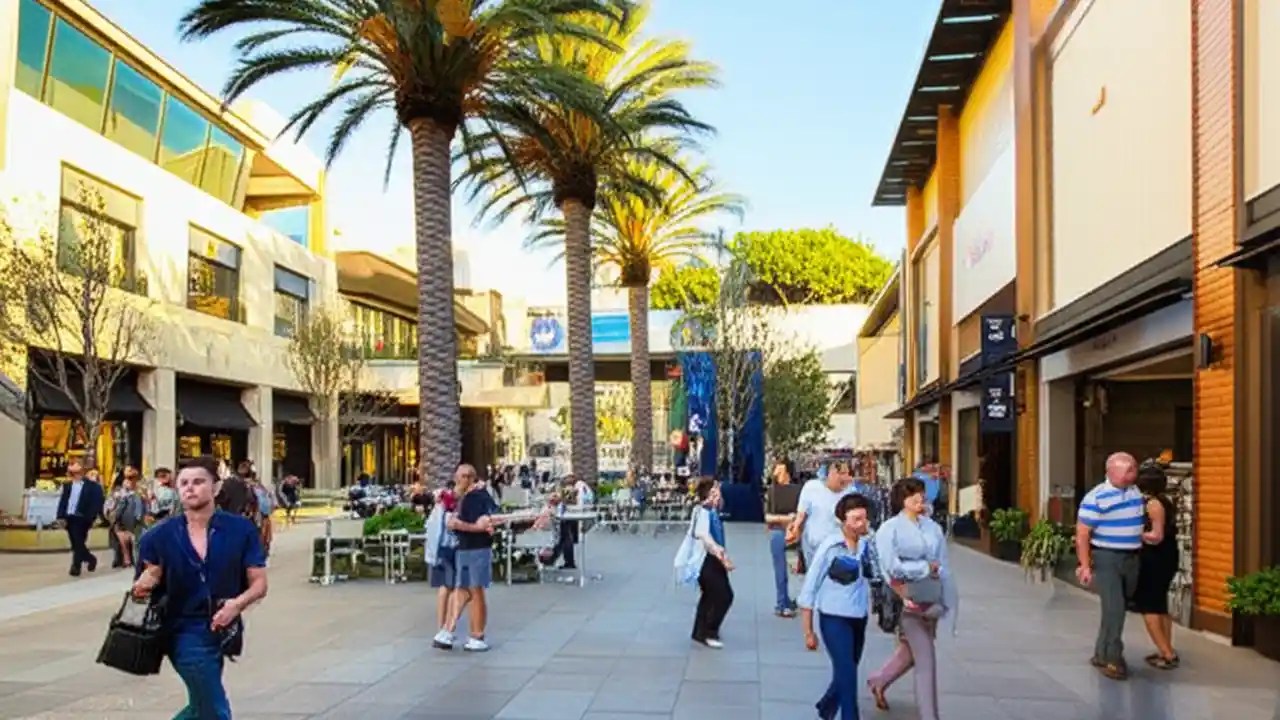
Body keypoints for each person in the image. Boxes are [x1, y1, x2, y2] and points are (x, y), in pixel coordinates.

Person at [131, 455, 268, 720]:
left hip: (223, 630)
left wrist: (236, 604)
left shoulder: (240, 529)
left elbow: (259, 583)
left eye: (198, 482)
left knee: (200, 706)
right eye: (183, 483)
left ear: (216, 488)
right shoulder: (158, 536)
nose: (190, 488)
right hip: (181, 632)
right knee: (215, 711)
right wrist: (145, 582)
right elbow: (139, 593)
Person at [867, 477, 958, 720]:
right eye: (913, 495)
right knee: (925, 658)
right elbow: (891, 567)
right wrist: (924, 569)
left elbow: (943, 564)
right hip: (905, 599)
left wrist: (947, 600)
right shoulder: (890, 529)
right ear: (902, 500)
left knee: (911, 653)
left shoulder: (932, 527)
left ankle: (878, 680)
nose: (920, 498)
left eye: (921, 493)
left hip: (930, 596)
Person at [799, 494, 875, 720]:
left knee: (847, 670)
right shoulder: (830, 547)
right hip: (834, 618)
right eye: (856, 519)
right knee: (849, 676)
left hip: (858, 616)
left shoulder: (866, 544)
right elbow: (809, 587)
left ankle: (826, 706)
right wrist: (808, 631)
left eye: (864, 518)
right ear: (843, 521)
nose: (862, 523)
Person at [1074, 452, 1144, 680]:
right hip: (1107, 557)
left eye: (1133, 469)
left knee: (1116, 608)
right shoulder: (1096, 498)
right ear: (1110, 473)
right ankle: (1114, 658)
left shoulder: (1135, 491)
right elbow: (1082, 534)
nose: (1131, 475)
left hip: (1132, 556)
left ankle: (1101, 652)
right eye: (1126, 472)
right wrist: (1085, 565)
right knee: (1115, 608)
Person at [437, 464, 502, 652]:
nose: (461, 481)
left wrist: (458, 525)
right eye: (459, 477)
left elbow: (483, 526)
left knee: (475, 590)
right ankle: (449, 629)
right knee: (464, 589)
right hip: (464, 549)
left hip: (477, 549)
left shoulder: (478, 498)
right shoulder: (465, 498)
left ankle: (477, 634)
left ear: (471, 478)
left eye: (464, 477)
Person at [1130, 462, 1181, 670]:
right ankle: (1166, 648)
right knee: (1160, 604)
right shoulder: (1165, 501)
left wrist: (1136, 534)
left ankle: (1167, 654)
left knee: (1149, 605)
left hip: (1156, 557)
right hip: (1167, 555)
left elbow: (1156, 536)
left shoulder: (1153, 504)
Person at [677, 477, 735, 649]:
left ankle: (699, 631)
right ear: (709, 494)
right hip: (706, 562)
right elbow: (703, 535)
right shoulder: (703, 511)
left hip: (712, 560)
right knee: (724, 596)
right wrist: (718, 551)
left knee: (709, 596)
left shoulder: (709, 511)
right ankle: (709, 631)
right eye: (715, 491)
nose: (719, 494)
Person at [789, 462, 854, 575]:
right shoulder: (811, 488)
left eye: (847, 474)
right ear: (829, 474)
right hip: (813, 548)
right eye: (841, 473)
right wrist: (794, 530)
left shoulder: (851, 492)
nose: (845, 477)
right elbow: (801, 515)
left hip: (838, 549)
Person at [55, 461, 104, 577]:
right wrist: (60, 516)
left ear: (82, 472)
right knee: (76, 543)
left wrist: (91, 517)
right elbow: (63, 502)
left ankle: (75, 566)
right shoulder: (67, 486)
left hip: (82, 517)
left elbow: (97, 503)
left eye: (75, 473)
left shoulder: (93, 487)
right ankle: (90, 558)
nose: (72, 475)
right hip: (69, 517)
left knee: (78, 541)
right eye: (70, 473)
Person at [427, 489, 460, 648]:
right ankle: (445, 629)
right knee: (451, 587)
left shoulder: (436, 510)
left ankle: (442, 627)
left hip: (439, 551)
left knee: (444, 587)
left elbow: (432, 532)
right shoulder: (450, 510)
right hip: (450, 550)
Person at [765, 461, 798, 617]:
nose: (777, 476)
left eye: (780, 472)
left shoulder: (797, 491)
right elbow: (768, 517)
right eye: (776, 473)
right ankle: (782, 602)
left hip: (794, 531)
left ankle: (786, 601)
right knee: (780, 570)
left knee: (797, 568)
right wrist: (787, 518)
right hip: (779, 531)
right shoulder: (772, 491)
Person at [110, 471, 146, 567]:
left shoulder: (140, 493)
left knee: (135, 542)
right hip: (122, 521)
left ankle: (134, 560)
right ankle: (126, 559)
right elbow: (113, 507)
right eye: (127, 479)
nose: (129, 481)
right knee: (123, 541)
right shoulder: (119, 494)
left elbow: (145, 507)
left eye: (132, 478)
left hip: (136, 522)